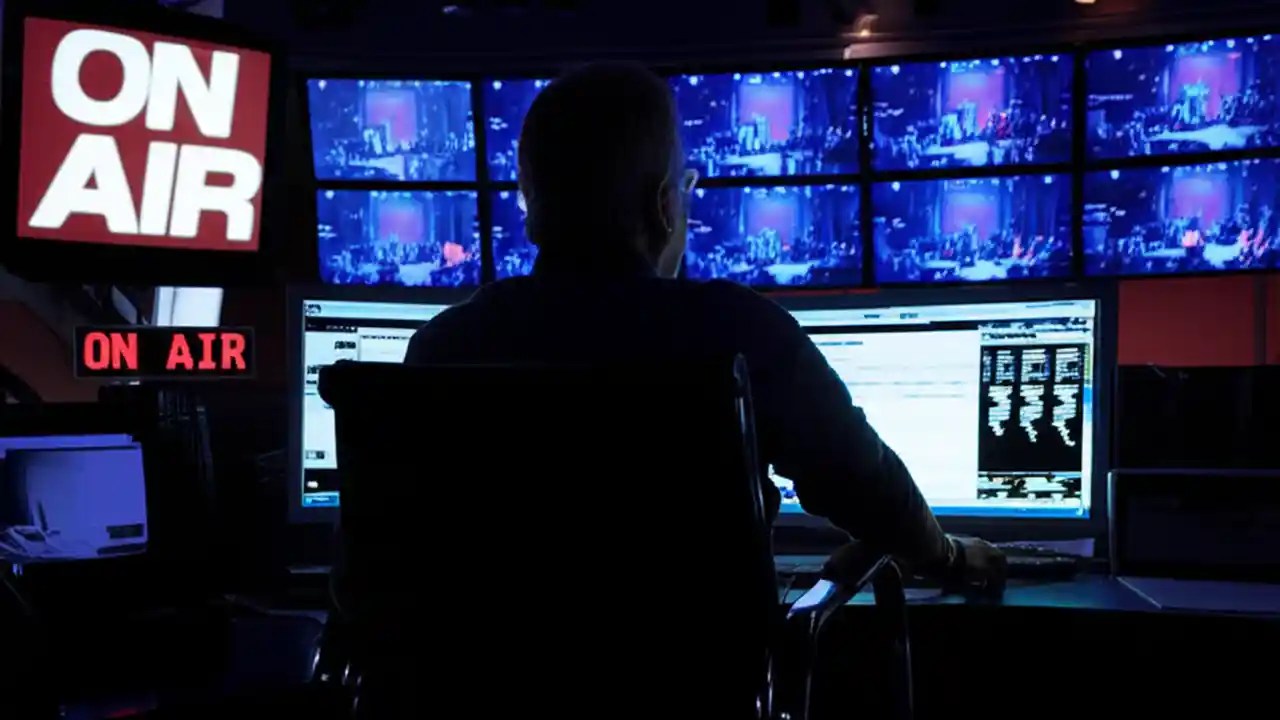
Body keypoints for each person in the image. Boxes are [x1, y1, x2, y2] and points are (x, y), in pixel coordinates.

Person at [404, 62, 1003, 587]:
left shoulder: (441, 348)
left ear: (531, 209)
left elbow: (380, 561)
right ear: (665, 206)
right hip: (705, 686)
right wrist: (949, 556)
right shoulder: (738, 330)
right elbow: (865, 485)